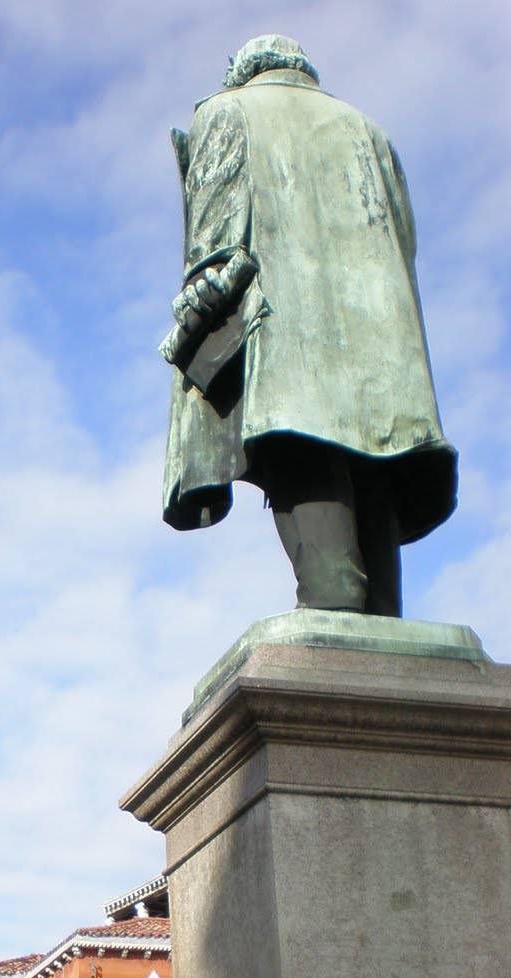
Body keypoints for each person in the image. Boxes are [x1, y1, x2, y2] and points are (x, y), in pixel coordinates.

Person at [161, 34, 457, 616]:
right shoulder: (369, 131)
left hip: (290, 361)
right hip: (385, 367)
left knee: (334, 587)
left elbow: (213, 254)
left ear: (242, 71)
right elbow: (405, 245)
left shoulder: (228, 111)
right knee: (381, 595)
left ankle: (323, 677)